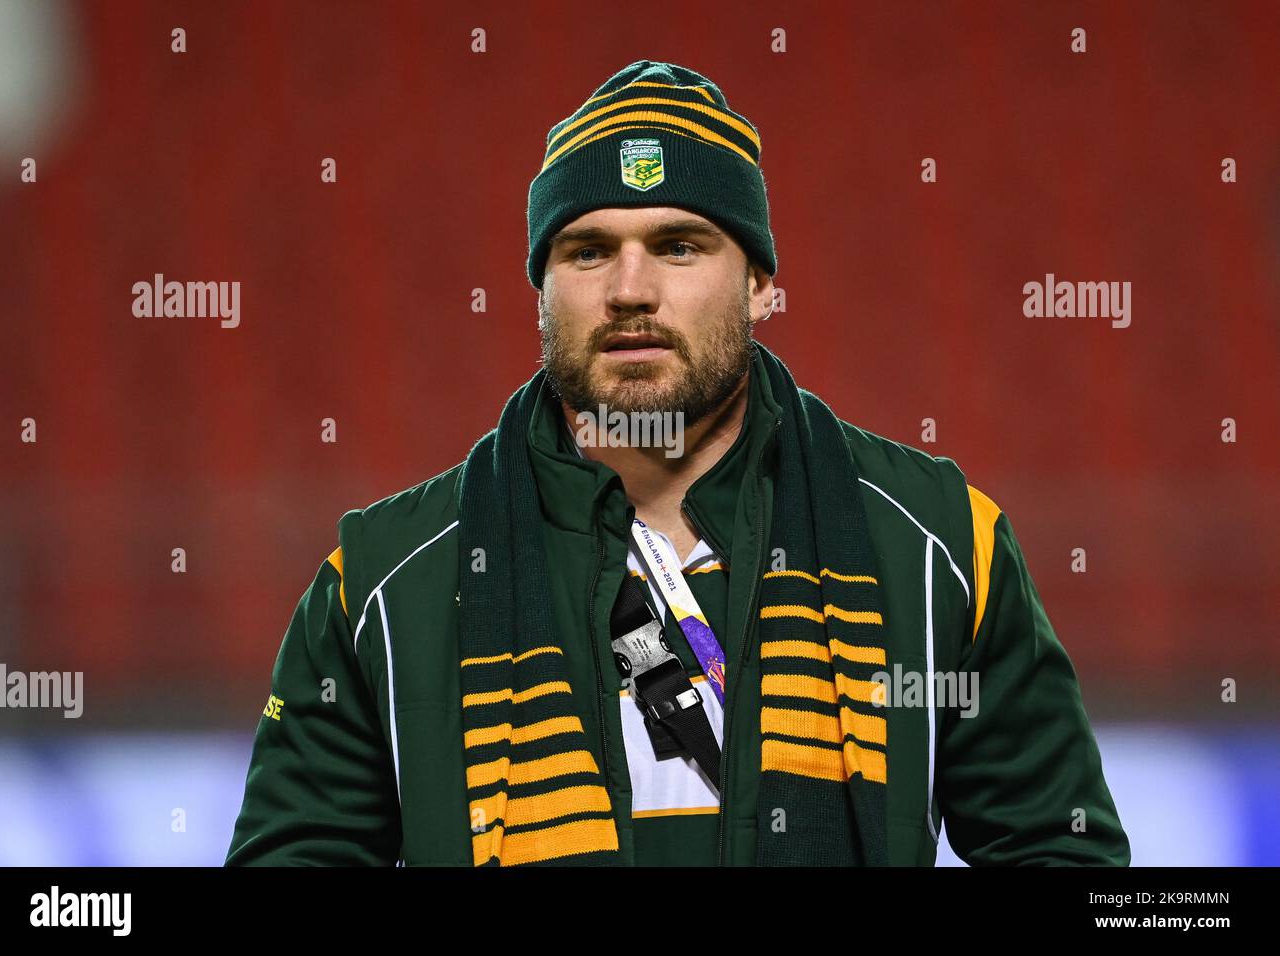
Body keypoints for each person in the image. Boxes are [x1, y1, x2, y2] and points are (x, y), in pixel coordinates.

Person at [226, 60, 1130, 867]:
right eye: (588, 251)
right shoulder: (384, 585)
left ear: (762, 284)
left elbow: (1060, 849)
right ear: (541, 289)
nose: (630, 290)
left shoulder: (938, 545)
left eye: (679, 245)